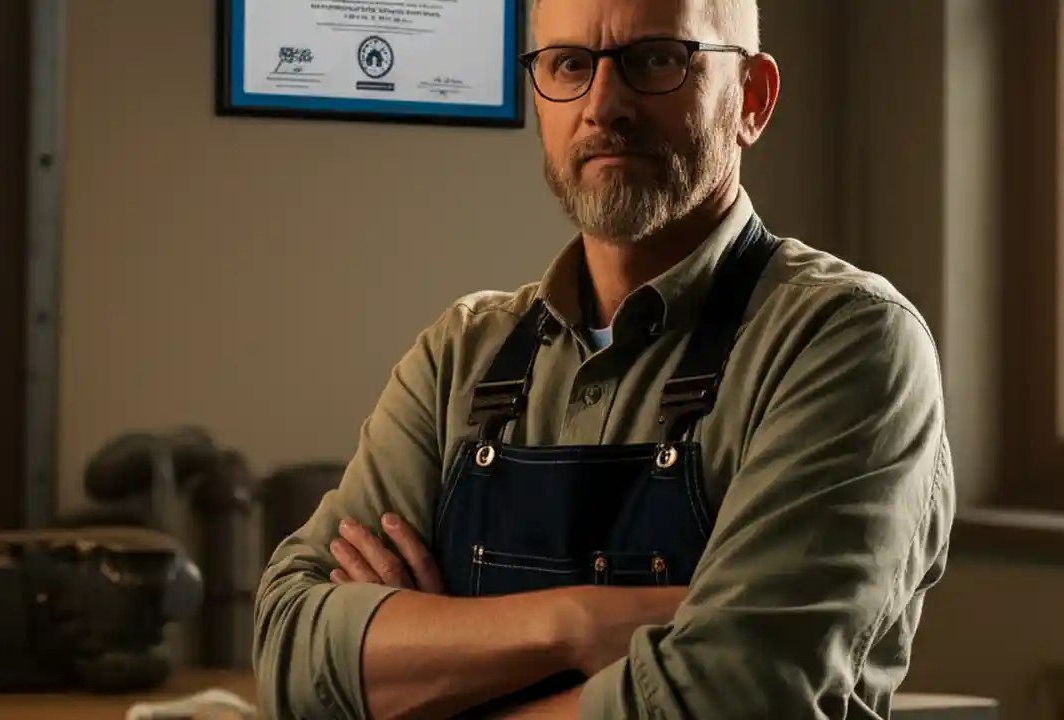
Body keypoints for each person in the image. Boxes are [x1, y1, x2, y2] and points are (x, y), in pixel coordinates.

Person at [252, 0, 956, 717]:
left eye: (656, 60)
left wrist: (434, 669)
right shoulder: (461, 354)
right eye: (569, 65)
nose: (603, 106)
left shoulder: (843, 342)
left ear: (752, 98)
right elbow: (292, 657)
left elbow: (730, 699)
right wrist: (580, 625)